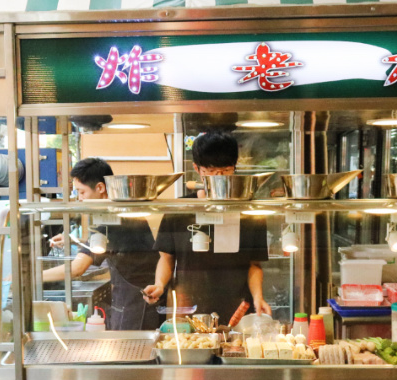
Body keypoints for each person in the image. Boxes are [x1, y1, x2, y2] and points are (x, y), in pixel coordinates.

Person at [142, 131, 271, 323]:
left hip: (239, 309)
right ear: (197, 168)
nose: (218, 177)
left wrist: (258, 297)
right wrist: (159, 285)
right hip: (189, 307)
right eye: (210, 171)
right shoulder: (180, 209)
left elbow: (254, 265)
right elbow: (167, 258)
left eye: (226, 170)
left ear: (235, 167)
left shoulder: (248, 211)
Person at [42, 158, 160, 331]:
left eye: (82, 192)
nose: (80, 199)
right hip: (133, 296)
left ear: (100, 188)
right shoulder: (117, 210)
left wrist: (32, 276)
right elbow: (110, 244)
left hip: (138, 299)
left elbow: (77, 268)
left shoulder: (110, 218)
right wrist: (75, 240)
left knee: (131, 355)